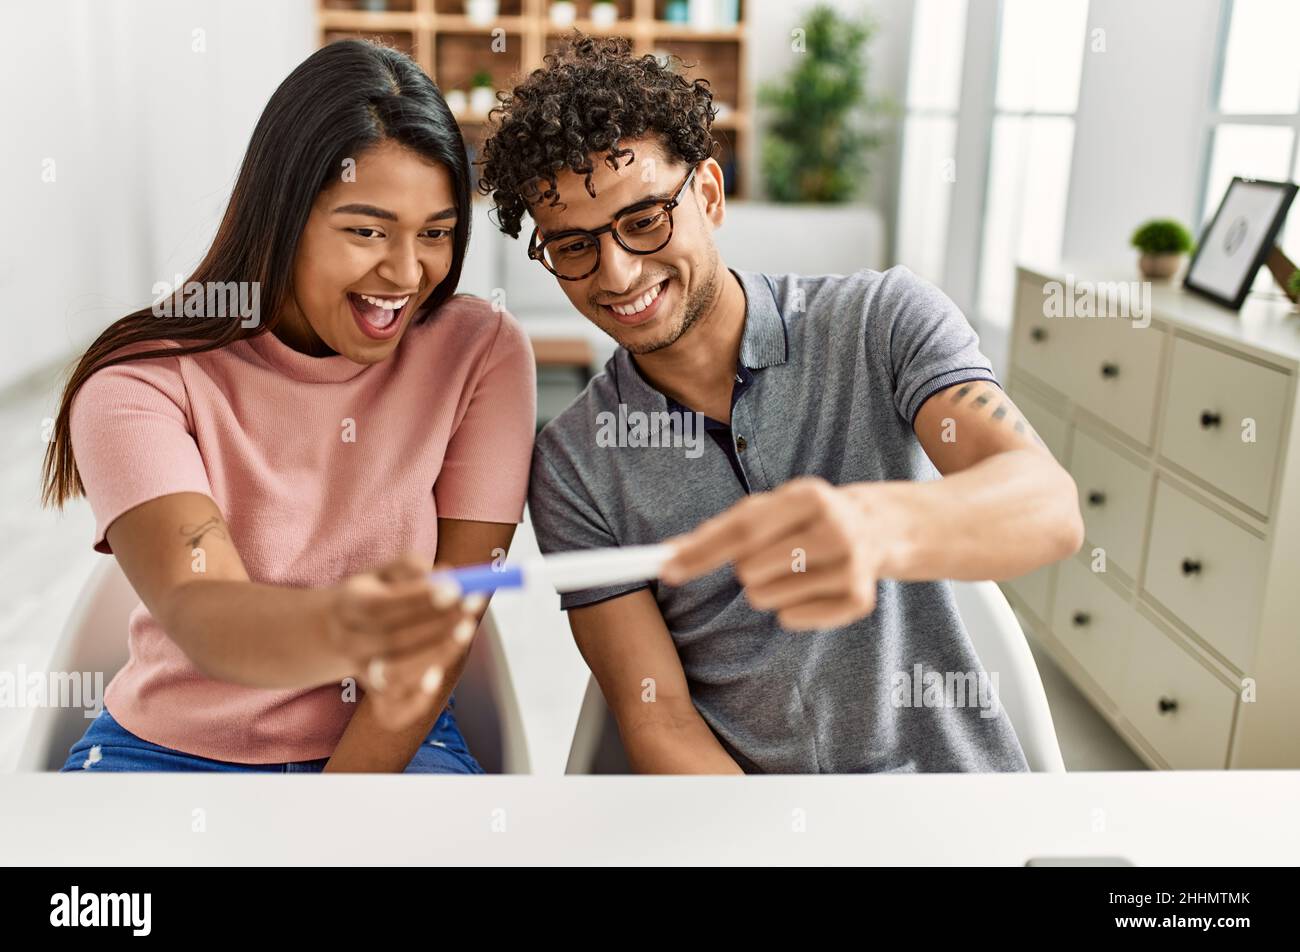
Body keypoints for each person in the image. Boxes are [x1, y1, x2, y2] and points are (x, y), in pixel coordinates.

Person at [476, 34, 1084, 774]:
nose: (619, 271)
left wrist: (874, 525)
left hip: (955, 807)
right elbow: (657, 715)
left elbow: (1048, 507)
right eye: (573, 246)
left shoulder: (881, 320)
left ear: (707, 193)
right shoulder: (574, 463)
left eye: (644, 220)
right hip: (750, 824)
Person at [42, 40, 536, 773]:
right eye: (367, 231)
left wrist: (331, 814)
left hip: (395, 742)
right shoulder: (139, 382)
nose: (406, 273)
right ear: (281, 217)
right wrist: (348, 622)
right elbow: (204, 615)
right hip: (166, 750)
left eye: (435, 233)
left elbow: (444, 638)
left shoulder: (481, 352)